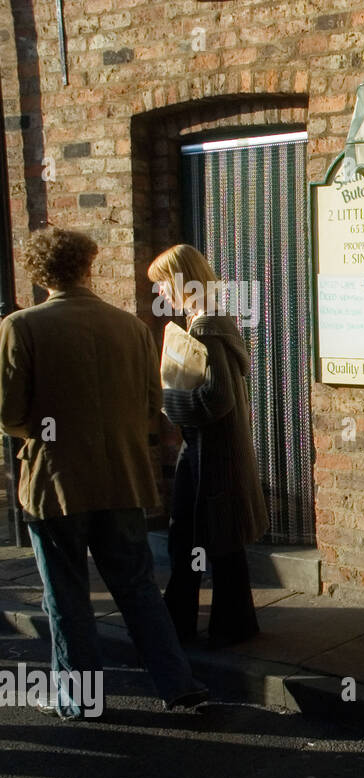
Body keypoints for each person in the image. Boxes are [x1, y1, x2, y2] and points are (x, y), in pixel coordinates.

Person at [0, 227, 208, 718]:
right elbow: (151, 403)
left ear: (38, 273)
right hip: (121, 478)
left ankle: (81, 699)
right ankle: (177, 683)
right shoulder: (131, 327)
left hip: (55, 486)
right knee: (138, 589)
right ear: (88, 265)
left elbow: (9, 413)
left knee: (67, 595)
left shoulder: (21, 327)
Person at [148, 245, 268, 647]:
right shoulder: (213, 321)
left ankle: (181, 625)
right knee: (215, 540)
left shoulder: (205, 328)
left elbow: (217, 398)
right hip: (213, 448)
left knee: (191, 537)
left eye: (164, 283)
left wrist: (165, 400)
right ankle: (230, 624)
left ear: (183, 280)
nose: (161, 293)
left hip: (210, 450)